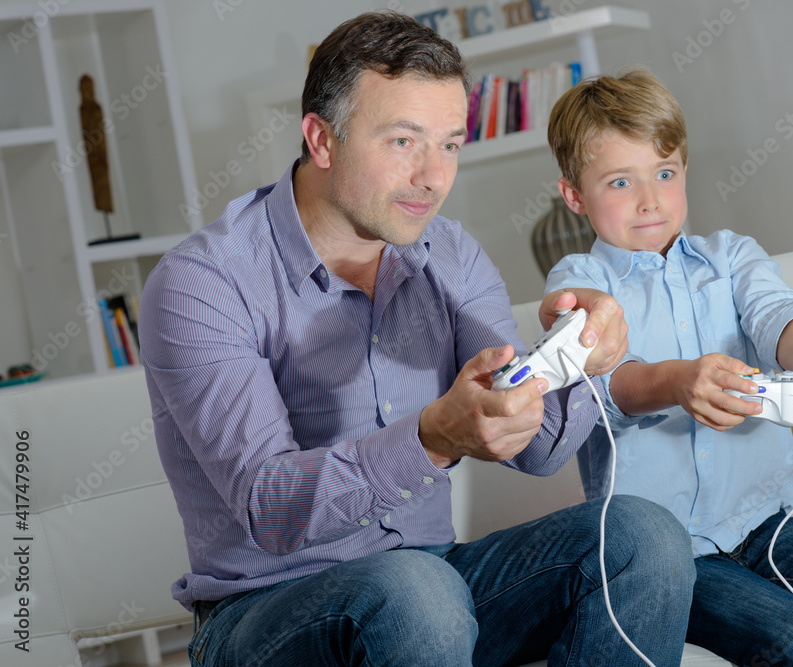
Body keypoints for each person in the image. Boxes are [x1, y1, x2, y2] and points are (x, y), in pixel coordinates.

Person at [140, 12, 696, 667]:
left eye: (451, 144)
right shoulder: (203, 282)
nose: (433, 175)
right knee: (416, 591)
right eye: (404, 141)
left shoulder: (450, 253)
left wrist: (581, 357)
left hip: (433, 585)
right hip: (264, 612)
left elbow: (540, 447)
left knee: (641, 534)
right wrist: (433, 438)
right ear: (322, 139)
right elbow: (271, 507)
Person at [544, 69, 793, 666]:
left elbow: (777, 313)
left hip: (767, 526)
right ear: (575, 196)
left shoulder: (730, 257)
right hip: (672, 559)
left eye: (665, 173)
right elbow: (611, 380)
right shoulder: (579, 284)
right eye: (621, 181)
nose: (650, 199)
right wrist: (678, 382)